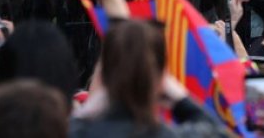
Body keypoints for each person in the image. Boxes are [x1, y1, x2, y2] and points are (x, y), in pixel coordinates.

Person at [69, 20, 221, 137]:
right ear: (162, 79)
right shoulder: (172, 135)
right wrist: (181, 101)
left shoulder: (77, 133)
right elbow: (218, 132)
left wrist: (83, 114)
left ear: (103, 75)